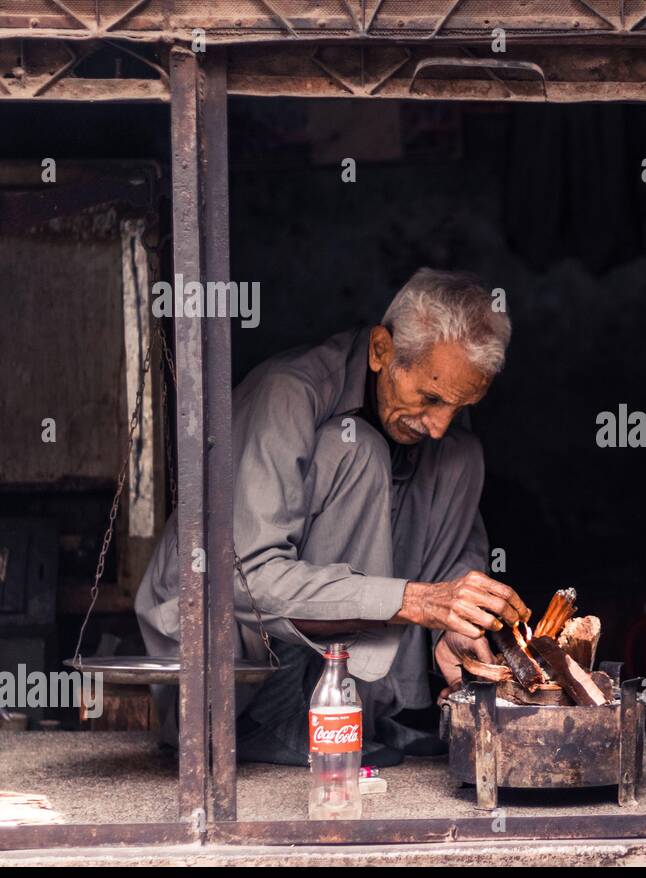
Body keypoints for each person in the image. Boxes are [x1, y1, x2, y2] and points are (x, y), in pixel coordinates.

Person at [135, 269, 527, 766]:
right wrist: (414, 600)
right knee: (356, 450)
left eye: (461, 404)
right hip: (230, 665)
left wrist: (452, 624)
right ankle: (279, 717)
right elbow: (246, 578)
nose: (438, 424)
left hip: (344, 676)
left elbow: (451, 554)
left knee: (458, 455)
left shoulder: (438, 430)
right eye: (430, 399)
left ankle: (369, 710)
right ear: (382, 350)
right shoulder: (290, 393)